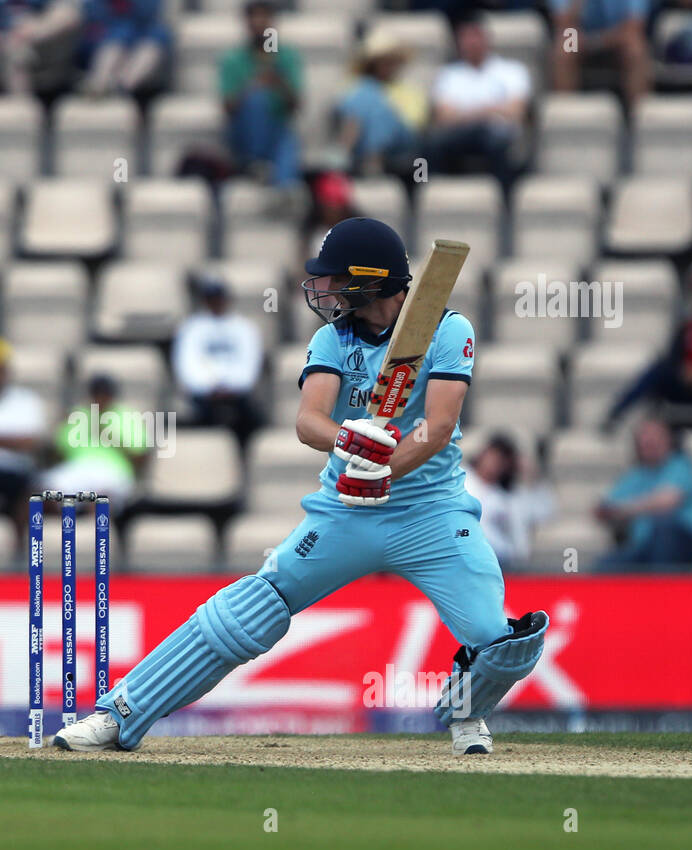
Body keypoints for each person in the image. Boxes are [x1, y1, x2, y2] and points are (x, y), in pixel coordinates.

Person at [54, 217, 548, 756]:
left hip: (431, 511)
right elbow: (308, 419)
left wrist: (386, 471)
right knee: (247, 612)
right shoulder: (332, 338)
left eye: (336, 279)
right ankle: (119, 714)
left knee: (505, 640)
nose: (326, 290)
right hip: (346, 512)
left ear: (370, 280)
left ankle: (466, 709)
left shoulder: (450, 330)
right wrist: (349, 445)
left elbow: (439, 425)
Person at [605, 265, 692, 425]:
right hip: (686, 386)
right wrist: (685, 372)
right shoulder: (687, 328)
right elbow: (674, 360)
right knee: (659, 369)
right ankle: (619, 411)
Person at [424, 14, 530, 190]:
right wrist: (490, 110)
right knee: (431, 146)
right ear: (459, 42)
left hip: (497, 134)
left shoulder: (512, 71)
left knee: (498, 143)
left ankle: (504, 198)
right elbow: (443, 117)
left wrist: (465, 112)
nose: (472, 43)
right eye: (466, 38)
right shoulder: (448, 74)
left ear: (487, 39)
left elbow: (516, 113)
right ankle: (436, 194)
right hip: (459, 133)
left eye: (476, 36)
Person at [595, 417, 692, 569]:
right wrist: (609, 511)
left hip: (691, 543)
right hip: (646, 548)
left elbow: (668, 502)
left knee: (664, 527)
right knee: (605, 566)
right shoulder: (635, 474)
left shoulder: (681, 464)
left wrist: (624, 509)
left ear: (668, 440)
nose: (648, 442)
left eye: (654, 437)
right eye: (644, 438)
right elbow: (603, 508)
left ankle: (663, 590)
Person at [172, 275, 264, 449]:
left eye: (218, 298)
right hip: (202, 397)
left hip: (237, 396)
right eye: (211, 298)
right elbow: (186, 365)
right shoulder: (191, 327)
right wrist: (208, 387)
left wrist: (231, 386)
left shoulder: (245, 327)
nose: (215, 302)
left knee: (254, 423)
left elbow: (250, 364)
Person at [0, 334, 48, 536]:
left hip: (16, 468)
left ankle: (21, 548)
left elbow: (31, 443)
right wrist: (10, 440)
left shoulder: (26, 400)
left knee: (32, 489)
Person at [220, 1, 303, 186]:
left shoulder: (285, 56)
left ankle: (285, 189)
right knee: (257, 100)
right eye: (254, 18)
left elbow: (296, 105)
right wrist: (252, 86)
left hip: (277, 130)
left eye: (263, 17)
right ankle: (256, 163)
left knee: (287, 141)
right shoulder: (234, 58)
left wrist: (279, 81)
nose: (258, 23)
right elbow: (228, 107)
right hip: (243, 135)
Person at [40, 374, 149, 513]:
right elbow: (57, 453)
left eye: (105, 394)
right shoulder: (77, 415)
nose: (101, 399)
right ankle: (59, 532)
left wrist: (108, 435)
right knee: (44, 494)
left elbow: (139, 459)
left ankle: (96, 533)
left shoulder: (128, 416)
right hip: (77, 468)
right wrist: (59, 425)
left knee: (101, 499)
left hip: (113, 471)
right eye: (97, 394)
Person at [332, 29, 424, 178]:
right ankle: (370, 158)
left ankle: (347, 153)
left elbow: (413, 123)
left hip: (400, 143)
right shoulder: (361, 86)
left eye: (391, 61)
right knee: (368, 94)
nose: (388, 65)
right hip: (362, 139)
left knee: (377, 108)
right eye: (383, 61)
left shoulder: (410, 90)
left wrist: (381, 108)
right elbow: (341, 107)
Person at [463, 433, 553, 569]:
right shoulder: (462, 481)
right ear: (483, 455)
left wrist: (534, 477)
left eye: (502, 460)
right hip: (470, 559)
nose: (495, 463)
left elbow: (545, 513)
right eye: (493, 456)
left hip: (506, 564)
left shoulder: (509, 495)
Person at [549, 0, 652, 112]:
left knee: (635, 48)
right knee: (565, 48)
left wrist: (600, 41)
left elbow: (635, 25)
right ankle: (566, 113)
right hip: (578, 37)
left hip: (617, 38)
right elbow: (564, 24)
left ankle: (639, 115)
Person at [78, 0, 170, 97]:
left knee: (153, 42)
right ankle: (99, 84)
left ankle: (122, 87)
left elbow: (149, 11)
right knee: (118, 37)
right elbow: (91, 12)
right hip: (104, 40)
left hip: (142, 35)